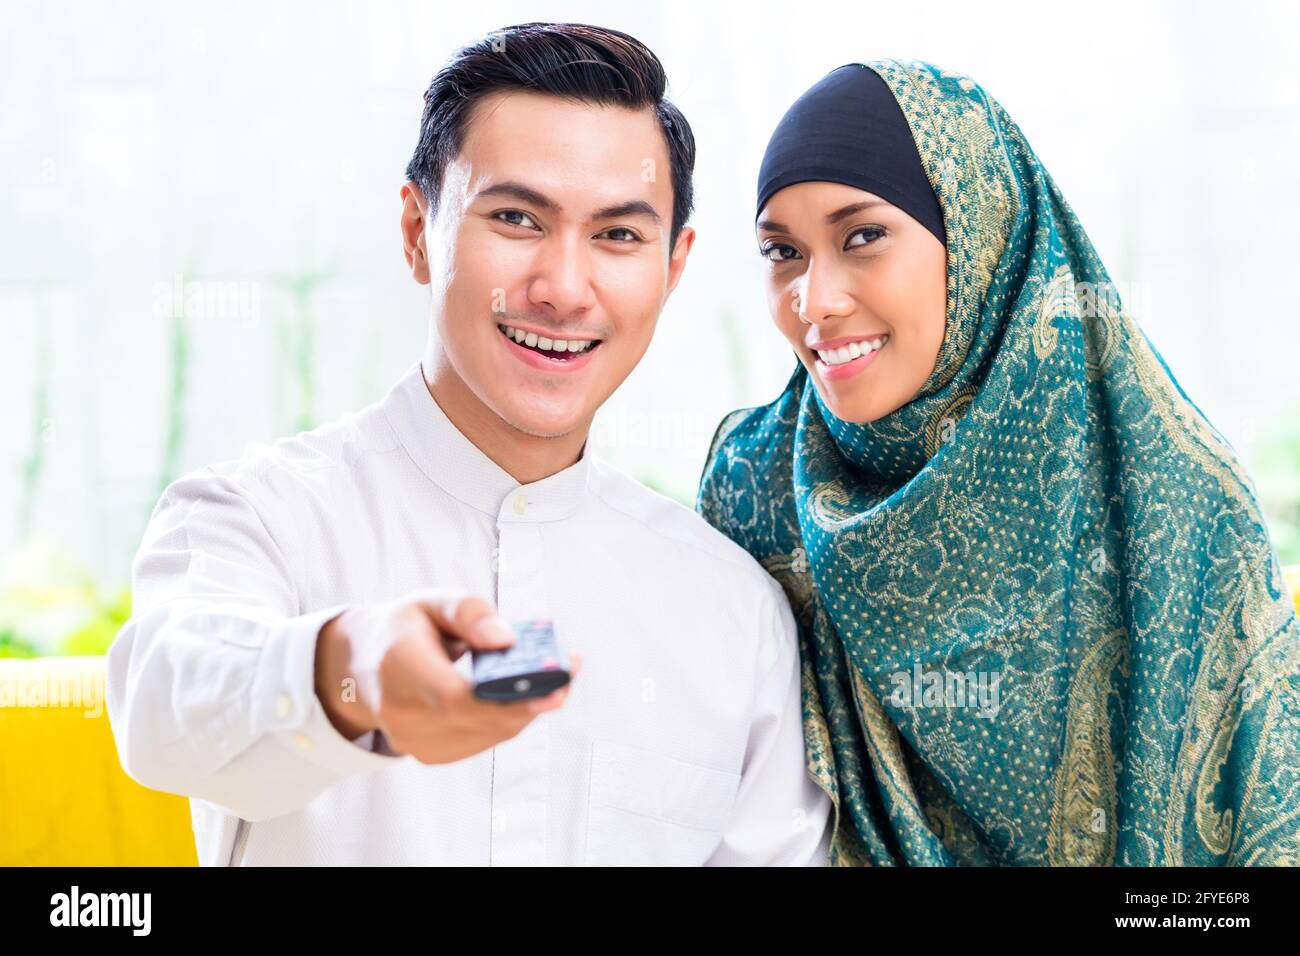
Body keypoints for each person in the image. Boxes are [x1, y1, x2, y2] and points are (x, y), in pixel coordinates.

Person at [106, 22, 833, 867]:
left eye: (618, 236)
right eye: (517, 218)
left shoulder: (735, 615)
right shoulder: (257, 517)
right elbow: (167, 707)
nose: (563, 289)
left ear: (673, 268)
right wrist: (351, 675)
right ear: (419, 231)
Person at [697, 59, 1300, 865]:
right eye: (783, 252)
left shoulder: (1173, 497)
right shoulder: (753, 491)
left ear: (980, 229)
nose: (816, 300)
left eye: (863, 236)